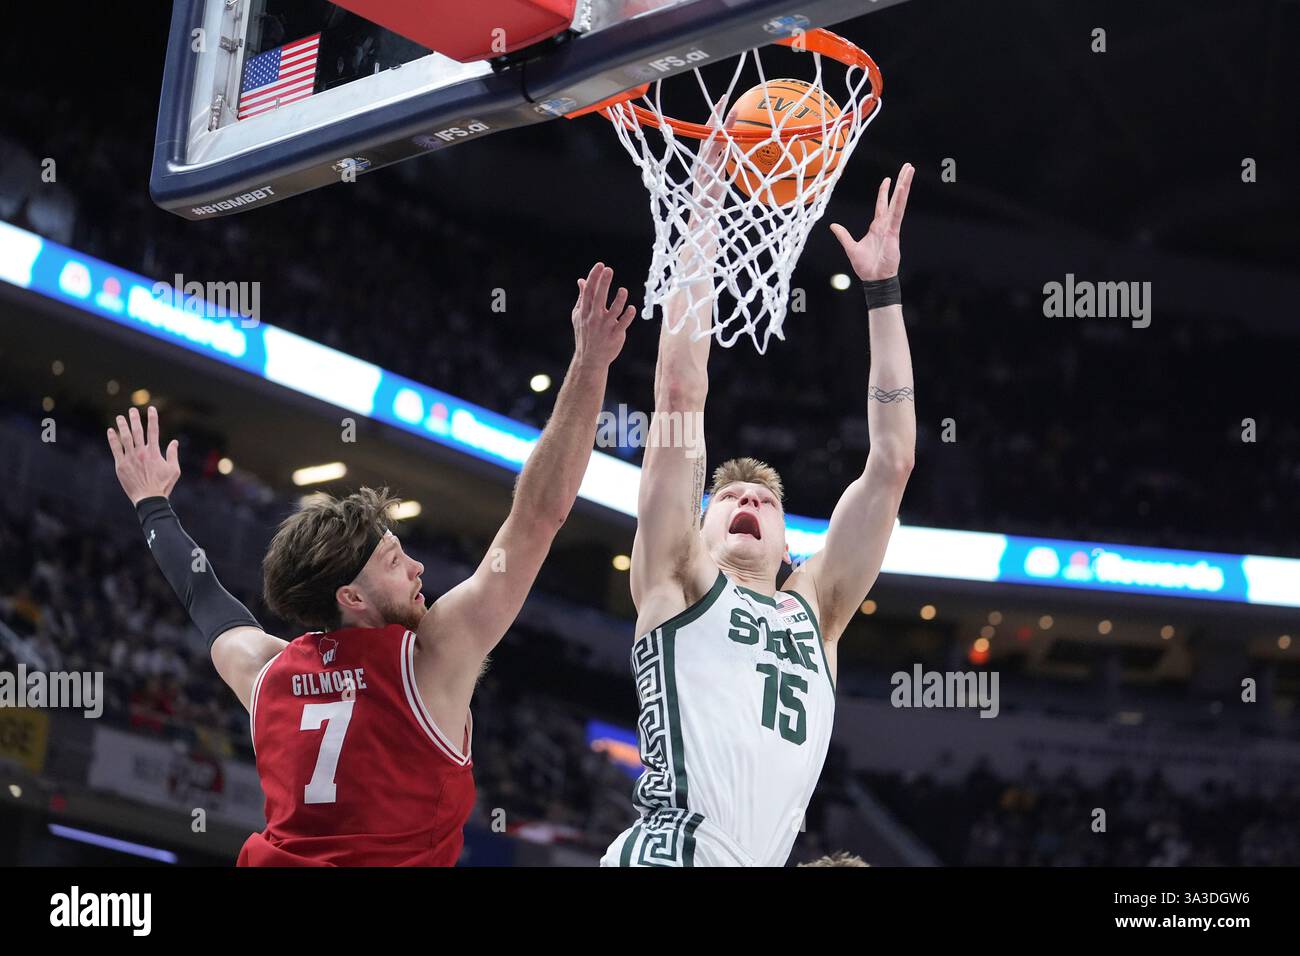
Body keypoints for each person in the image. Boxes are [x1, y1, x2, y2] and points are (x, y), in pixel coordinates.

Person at [107, 263, 634, 865]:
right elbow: (538, 515)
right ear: (351, 596)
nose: (418, 570)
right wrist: (591, 364)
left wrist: (153, 506)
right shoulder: (430, 658)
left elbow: (205, 600)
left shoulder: (268, 674)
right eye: (393, 559)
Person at [603, 164, 917, 867]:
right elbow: (681, 393)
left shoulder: (817, 607)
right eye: (731, 500)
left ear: (786, 546)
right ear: (699, 528)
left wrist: (883, 292)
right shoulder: (677, 578)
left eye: (766, 503)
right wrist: (706, 212)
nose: (748, 502)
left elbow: (893, 462)